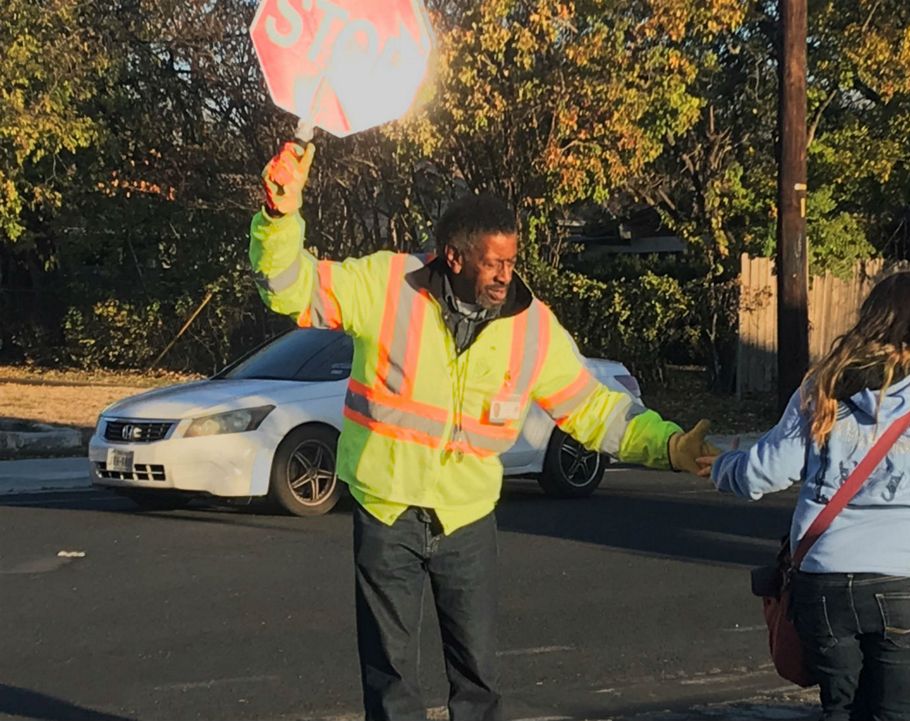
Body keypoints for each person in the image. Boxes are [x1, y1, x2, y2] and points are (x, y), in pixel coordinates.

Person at [250, 141, 715, 721]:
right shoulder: (387, 286)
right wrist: (279, 216)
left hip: (467, 521)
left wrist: (668, 445)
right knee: (390, 682)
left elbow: (592, 408)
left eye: (512, 262)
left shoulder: (530, 326)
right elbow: (288, 287)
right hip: (386, 514)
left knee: (478, 682)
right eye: (493, 263)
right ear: (453, 257)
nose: (505, 275)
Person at [702, 271, 910, 721]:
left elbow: (762, 472)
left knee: (842, 710)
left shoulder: (822, 391)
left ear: (868, 322)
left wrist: (721, 468)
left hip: (827, 579)